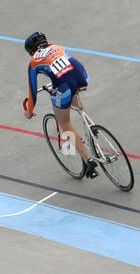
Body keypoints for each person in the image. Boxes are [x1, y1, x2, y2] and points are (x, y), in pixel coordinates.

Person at [22, 32, 96, 178]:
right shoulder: (56, 47)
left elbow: (32, 94)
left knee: (64, 121)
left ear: (31, 50)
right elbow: (67, 68)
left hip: (64, 84)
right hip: (81, 74)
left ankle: (88, 161)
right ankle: (92, 128)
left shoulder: (33, 62)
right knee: (74, 93)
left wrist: (29, 111)